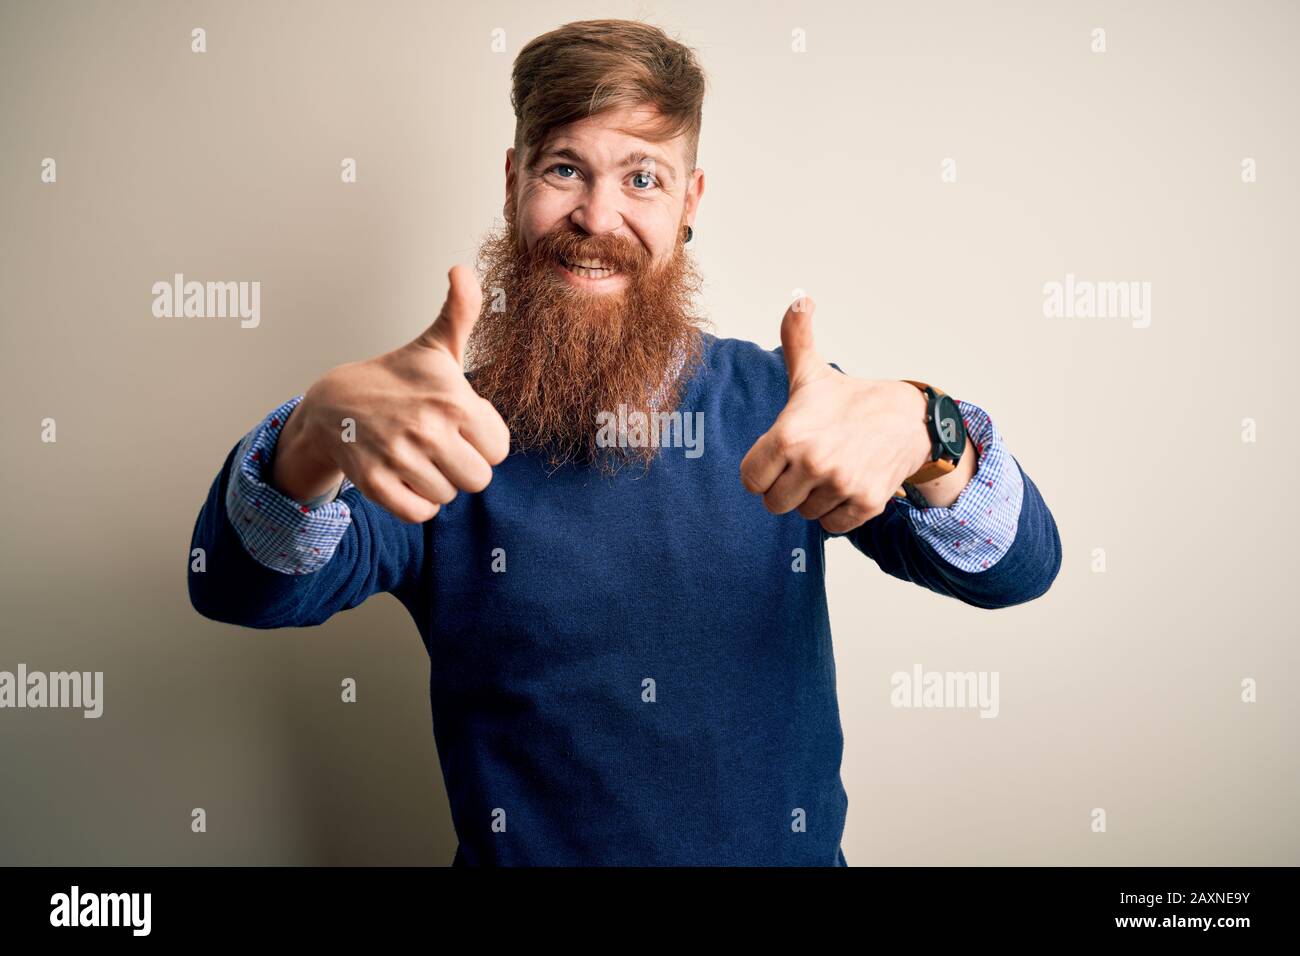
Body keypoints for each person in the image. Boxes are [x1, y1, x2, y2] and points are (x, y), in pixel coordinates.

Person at [188, 18, 1061, 866]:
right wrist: (313, 433)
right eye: (564, 169)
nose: (597, 217)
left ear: (691, 201)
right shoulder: (431, 426)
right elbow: (240, 590)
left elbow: (1018, 572)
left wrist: (926, 428)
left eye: (642, 177)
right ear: (512, 181)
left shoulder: (786, 401)